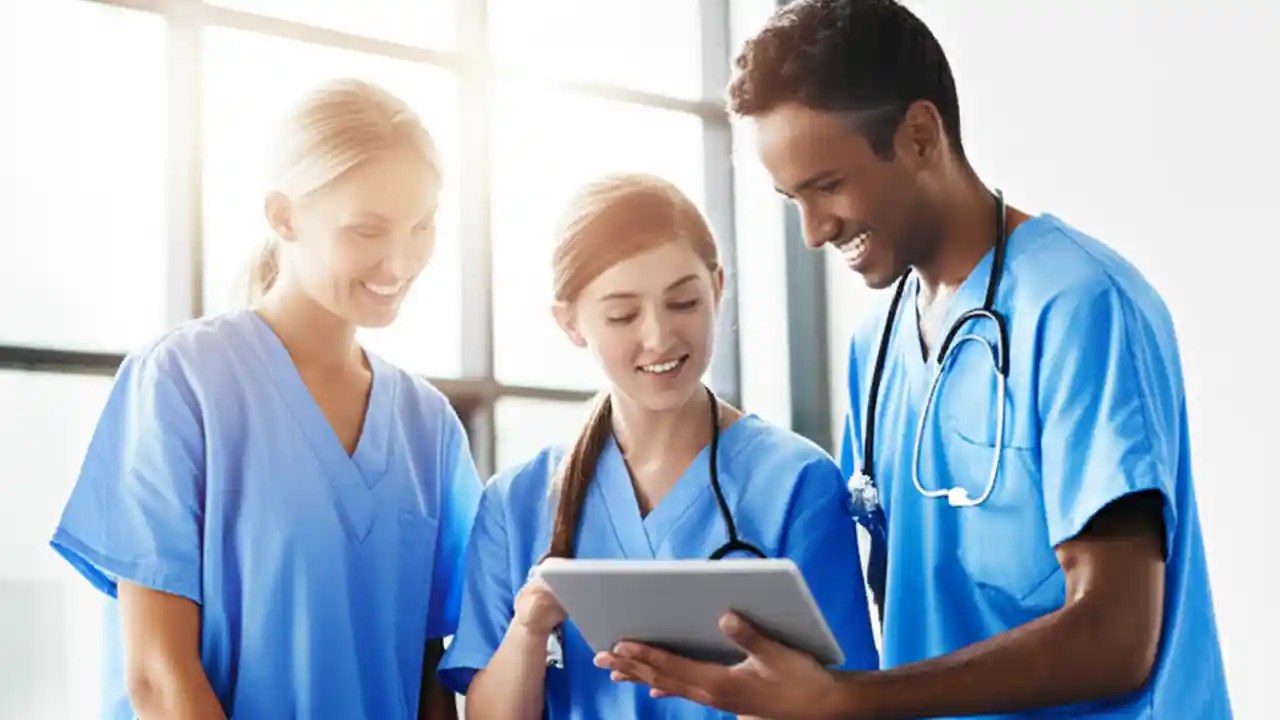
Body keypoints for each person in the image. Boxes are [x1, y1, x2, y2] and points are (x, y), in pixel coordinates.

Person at [596, 1, 1232, 718]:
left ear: (920, 135)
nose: (813, 231)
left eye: (828, 186)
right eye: (792, 199)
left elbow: (1115, 638)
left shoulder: (1080, 306)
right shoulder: (876, 346)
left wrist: (845, 699)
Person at [49, 78, 481, 720]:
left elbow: (428, 681)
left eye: (422, 226)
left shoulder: (429, 428)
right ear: (284, 216)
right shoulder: (182, 381)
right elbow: (160, 678)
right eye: (367, 230)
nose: (400, 263)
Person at [437, 172, 880, 718]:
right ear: (570, 323)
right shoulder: (516, 502)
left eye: (684, 302)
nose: (659, 337)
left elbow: (838, 701)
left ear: (718, 287)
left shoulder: (797, 482)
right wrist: (530, 628)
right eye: (623, 315)